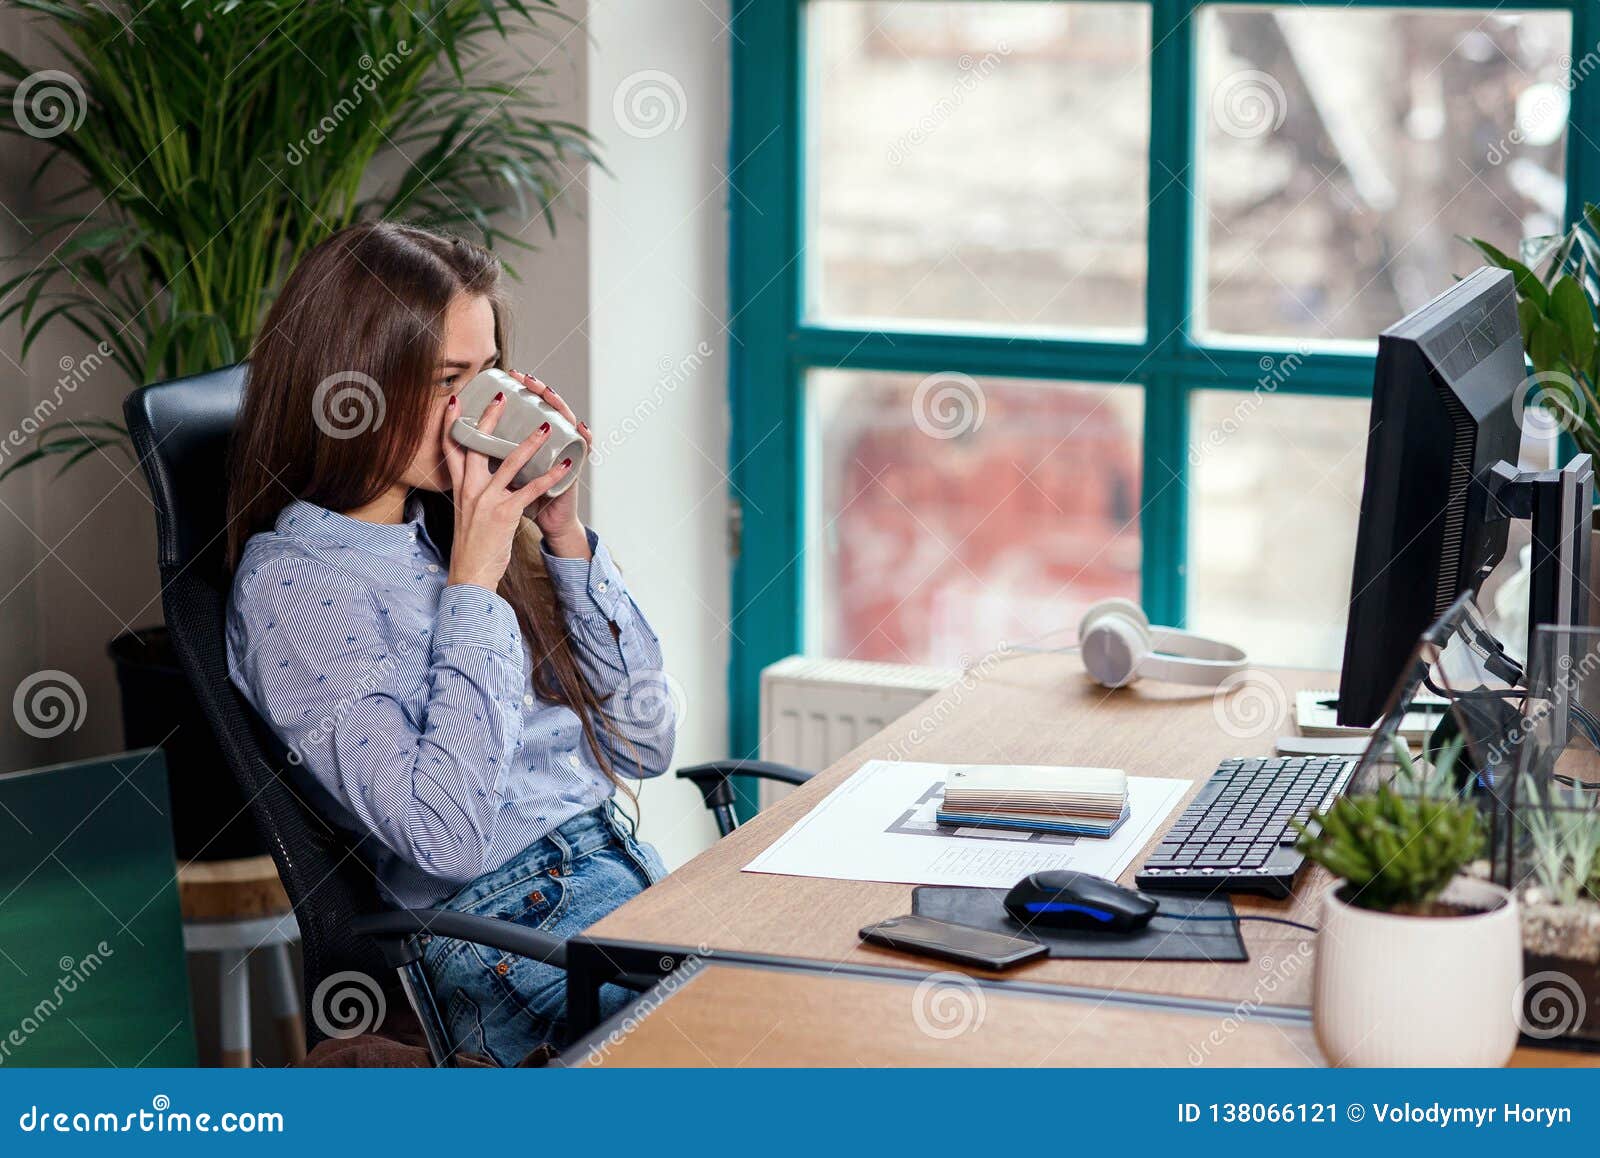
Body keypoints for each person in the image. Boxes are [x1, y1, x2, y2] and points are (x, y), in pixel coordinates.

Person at [224, 222, 674, 1065]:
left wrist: (563, 536)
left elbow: (645, 744)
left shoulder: (453, 529)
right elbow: (446, 839)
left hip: (626, 879)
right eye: (446, 381)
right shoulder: (295, 587)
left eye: (487, 373)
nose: (479, 411)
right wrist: (473, 583)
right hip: (514, 933)